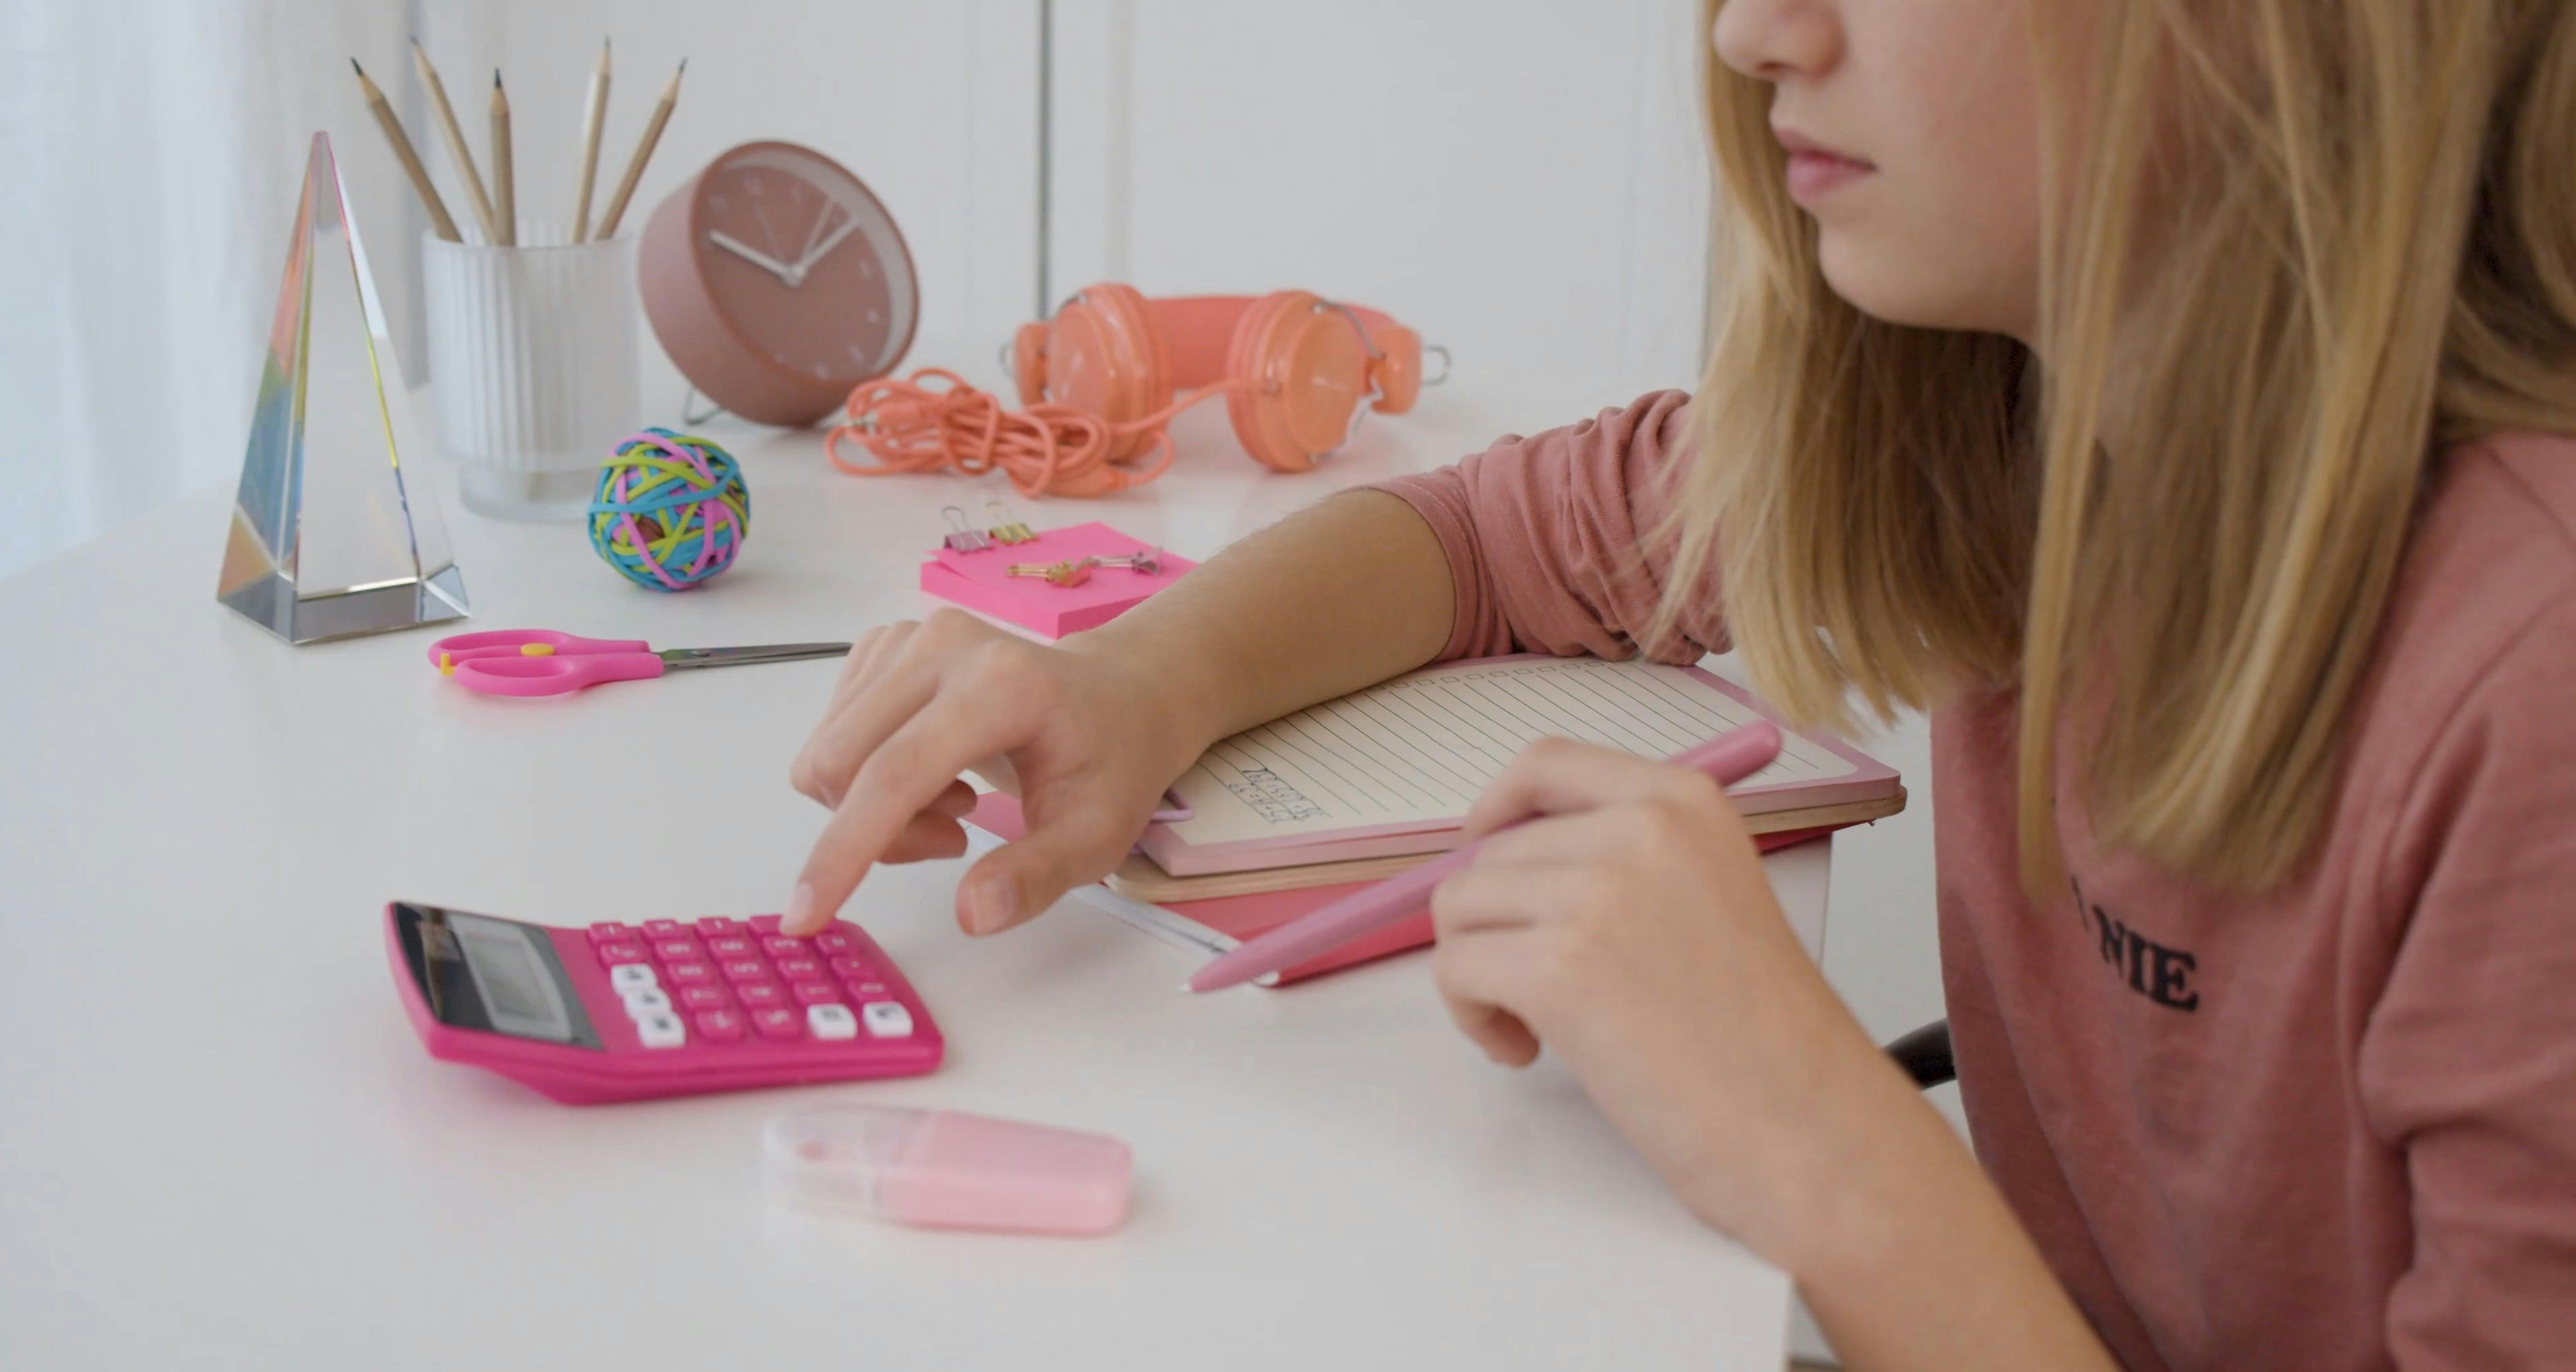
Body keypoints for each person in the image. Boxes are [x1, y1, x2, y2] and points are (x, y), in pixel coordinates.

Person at [783, 1, 2576, 1365]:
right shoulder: (2004, 419)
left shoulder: (2530, 680)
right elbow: (1493, 536)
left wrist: (1817, 1142)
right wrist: (1141, 683)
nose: (1751, 31)